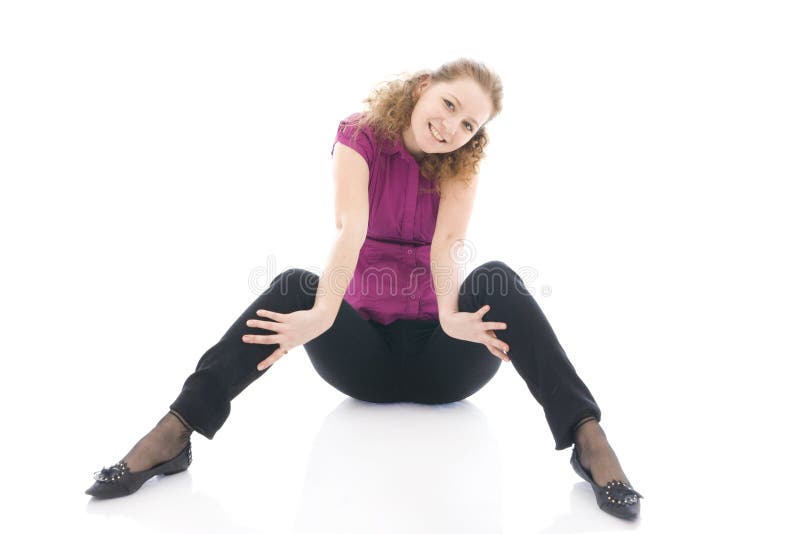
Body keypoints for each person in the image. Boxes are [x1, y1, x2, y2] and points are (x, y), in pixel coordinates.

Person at [85, 57, 643, 520]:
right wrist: (321, 313)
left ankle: (588, 439)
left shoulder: (461, 163)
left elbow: (448, 245)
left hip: (445, 362)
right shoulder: (360, 135)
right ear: (423, 88)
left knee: (499, 278)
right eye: (449, 105)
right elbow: (350, 228)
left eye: (469, 125)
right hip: (362, 361)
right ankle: (176, 430)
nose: (453, 127)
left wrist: (453, 317)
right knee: (293, 285)